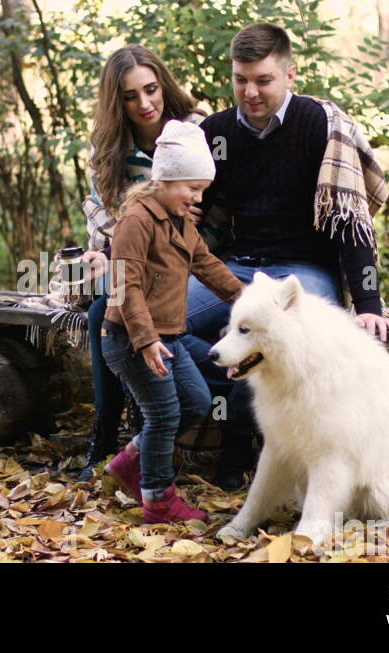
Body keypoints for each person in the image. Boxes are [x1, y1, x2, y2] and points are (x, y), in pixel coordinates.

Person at [182, 23, 389, 488]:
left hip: (303, 274)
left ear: (289, 76)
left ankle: (238, 449)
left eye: (263, 80)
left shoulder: (321, 124)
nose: (251, 92)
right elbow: (195, 214)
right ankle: (226, 404)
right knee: (164, 321)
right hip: (239, 266)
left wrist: (367, 305)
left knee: (289, 337)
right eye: (241, 79)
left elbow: (350, 217)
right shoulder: (216, 133)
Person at [101, 120, 245, 523]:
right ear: (165, 178)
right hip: (130, 339)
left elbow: (205, 263)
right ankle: (158, 499)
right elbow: (123, 285)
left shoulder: (180, 220)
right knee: (163, 414)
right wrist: (145, 341)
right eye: (192, 189)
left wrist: (245, 298)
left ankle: (131, 460)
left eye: (202, 190)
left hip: (170, 337)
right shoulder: (137, 220)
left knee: (197, 402)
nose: (198, 198)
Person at [76, 44, 205, 481]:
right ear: (118, 103)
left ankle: (141, 439)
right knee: (102, 311)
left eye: (151, 90)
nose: (145, 104)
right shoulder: (111, 148)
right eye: (131, 96)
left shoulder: (195, 130)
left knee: (110, 312)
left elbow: (219, 211)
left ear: (163, 85)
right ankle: (105, 434)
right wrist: (102, 249)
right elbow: (103, 215)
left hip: (185, 264)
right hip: (129, 265)